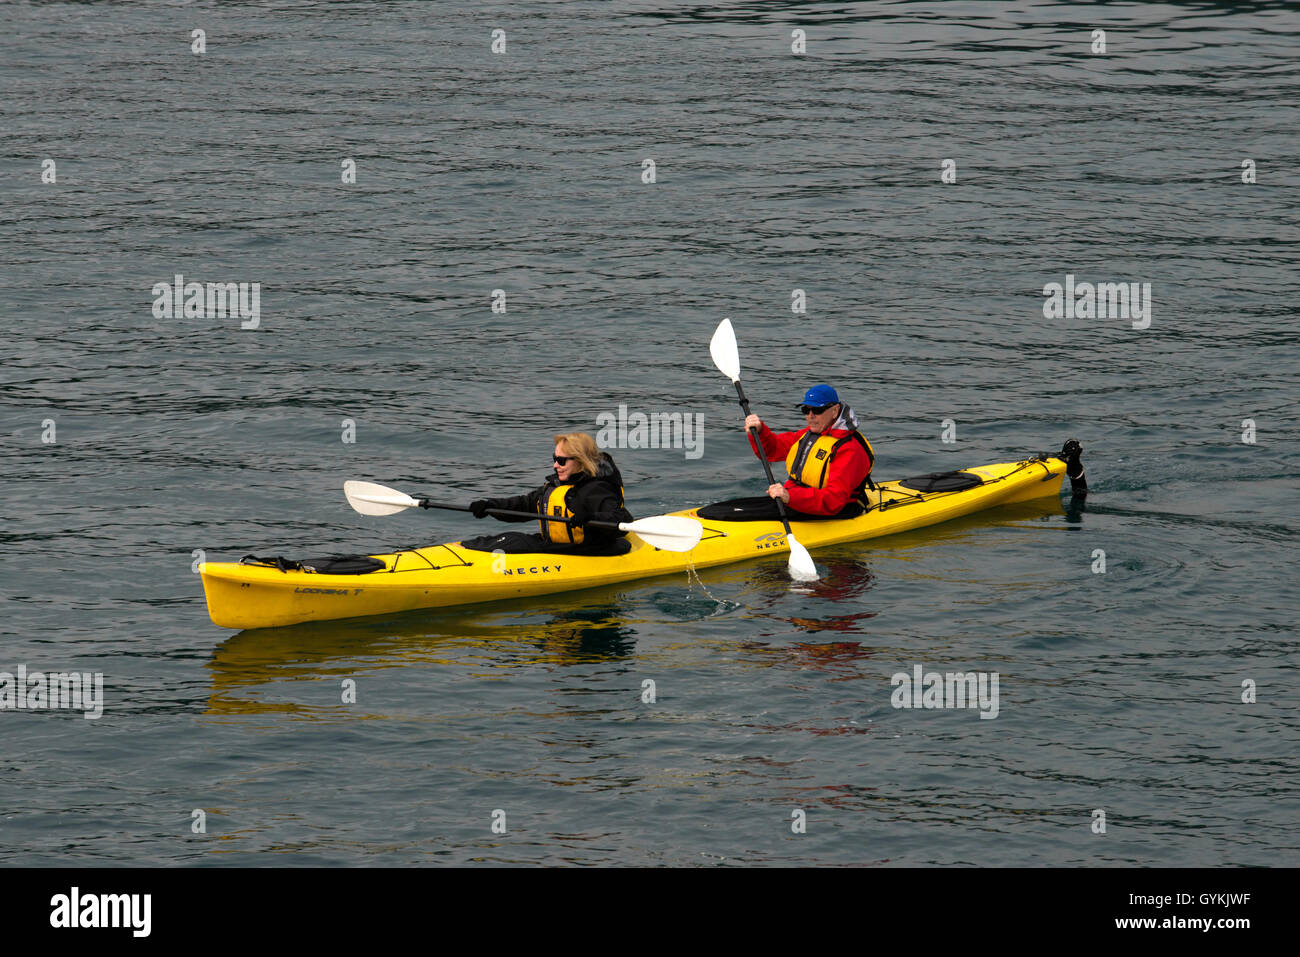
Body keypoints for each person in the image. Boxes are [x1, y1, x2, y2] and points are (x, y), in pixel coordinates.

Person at [461, 432, 634, 555]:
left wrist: (591, 518)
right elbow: (524, 505)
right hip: (558, 547)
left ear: (581, 461)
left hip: (590, 550)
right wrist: (490, 506)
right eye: (554, 458)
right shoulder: (557, 486)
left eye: (561, 460)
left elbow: (622, 519)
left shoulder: (596, 489)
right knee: (511, 540)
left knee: (519, 542)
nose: (555, 465)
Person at [742, 384, 875, 518]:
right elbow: (773, 450)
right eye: (806, 410)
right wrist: (759, 432)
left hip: (833, 511)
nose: (810, 416)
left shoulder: (849, 449)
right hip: (796, 502)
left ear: (835, 411)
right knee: (733, 509)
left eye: (817, 410)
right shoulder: (810, 434)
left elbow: (833, 500)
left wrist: (790, 496)